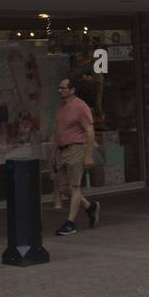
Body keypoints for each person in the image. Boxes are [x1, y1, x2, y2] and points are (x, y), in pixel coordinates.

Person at [53, 78, 100, 236]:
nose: (60, 90)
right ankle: (89, 206)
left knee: (75, 187)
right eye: (59, 87)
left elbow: (90, 131)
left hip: (76, 149)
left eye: (63, 87)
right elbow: (58, 131)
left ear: (72, 90)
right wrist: (54, 152)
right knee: (62, 187)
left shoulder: (81, 107)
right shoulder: (61, 108)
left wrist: (88, 155)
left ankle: (70, 223)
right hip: (62, 151)